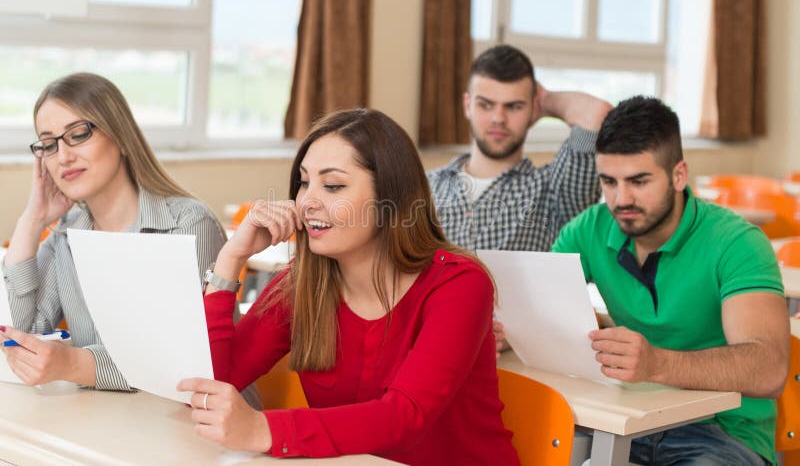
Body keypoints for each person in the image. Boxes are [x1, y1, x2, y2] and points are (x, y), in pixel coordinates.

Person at [177, 109, 520, 465]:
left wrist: (263, 430)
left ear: (391, 198)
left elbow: (403, 418)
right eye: (304, 182)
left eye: (334, 186)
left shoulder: (459, 285)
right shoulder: (299, 286)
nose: (308, 201)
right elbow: (209, 387)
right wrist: (231, 259)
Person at [552, 96, 789, 465]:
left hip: (723, 433)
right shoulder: (588, 229)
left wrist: (657, 364)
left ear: (679, 175)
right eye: (609, 182)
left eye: (639, 181)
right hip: (625, 421)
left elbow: (769, 368)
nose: (621, 199)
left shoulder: (737, 242)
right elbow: (542, 309)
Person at [0, 73, 260, 408]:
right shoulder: (66, 235)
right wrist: (31, 221)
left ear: (121, 137)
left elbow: (176, 362)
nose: (62, 156)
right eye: (49, 144)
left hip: (204, 427)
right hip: (117, 424)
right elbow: (20, 339)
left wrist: (76, 364)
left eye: (78, 134)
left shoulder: (187, 224)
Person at [427, 44, 612, 252]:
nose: (499, 118)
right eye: (486, 105)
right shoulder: (424, 187)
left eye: (514, 106)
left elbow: (598, 114)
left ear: (533, 108)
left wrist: (546, 101)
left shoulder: (553, 191)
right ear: (467, 105)